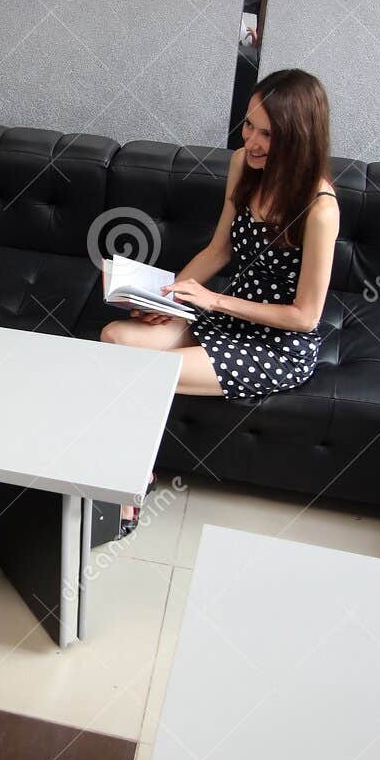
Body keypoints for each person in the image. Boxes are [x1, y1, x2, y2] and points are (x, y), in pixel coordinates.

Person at [100, 69, 339, 533]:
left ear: (299, 137)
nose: (251, 141)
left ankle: (128, 483)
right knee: (114, 337)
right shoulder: (242, 166)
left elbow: (306, 317)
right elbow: (218, 250)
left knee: (143, 370)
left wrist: (212, 302)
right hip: (223, 314)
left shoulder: (320, 207)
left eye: (268, 134)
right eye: (249, 125)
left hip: (276, 344)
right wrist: (165, 298)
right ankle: (121, 469)